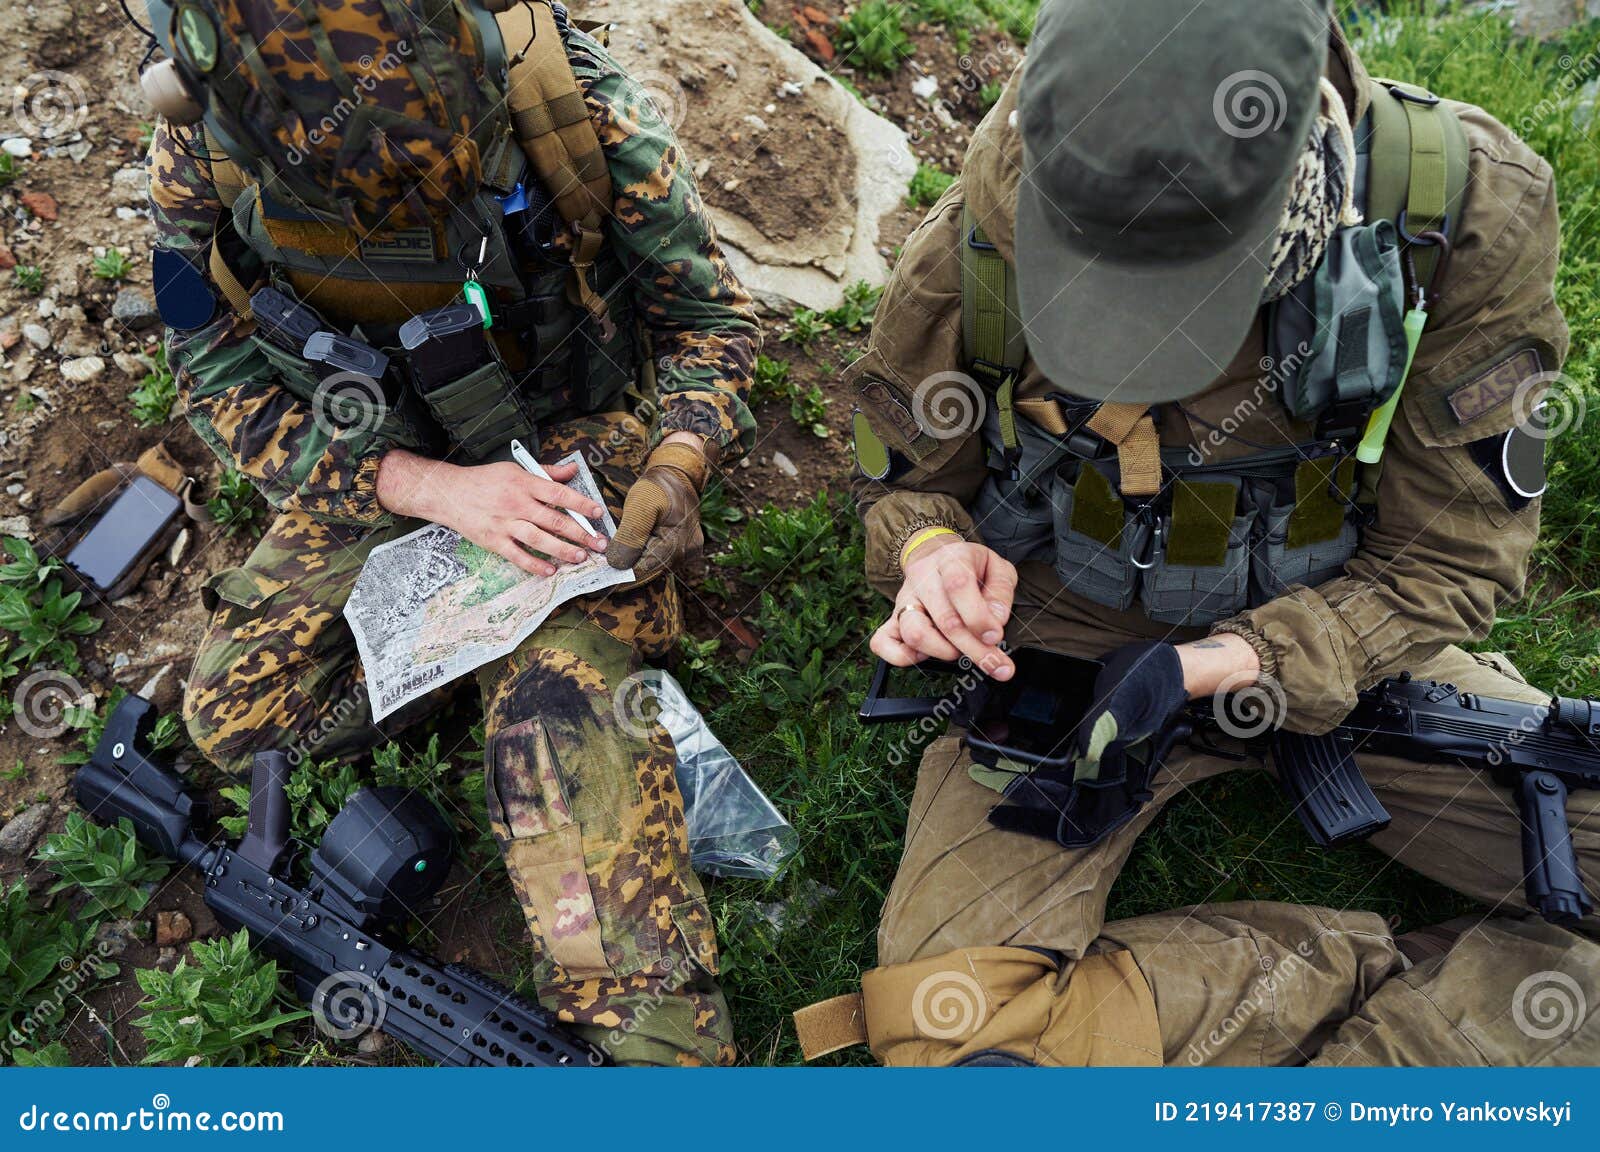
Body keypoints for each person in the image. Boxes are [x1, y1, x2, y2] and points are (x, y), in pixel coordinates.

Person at [831, 0, 1600, 1065]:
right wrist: (928, 553)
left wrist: (1245, 659)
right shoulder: (991, 219)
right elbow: (908, 476)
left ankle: (1485, 1002)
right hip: (1061, 657)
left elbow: (1451, 555)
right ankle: (1386, 1004)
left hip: (1344, 632)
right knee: (954, 1045)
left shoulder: (1453, 215)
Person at [145, 0, 756, 1065]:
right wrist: (418, 484)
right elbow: (213, 366)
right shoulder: (206, 144)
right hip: (390, 475)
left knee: (556, 712)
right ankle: (485, 650)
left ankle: (655, 1036)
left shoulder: (567, 100)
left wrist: (675, 461)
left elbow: (710, 324)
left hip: (569, 444)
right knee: (233, 718)